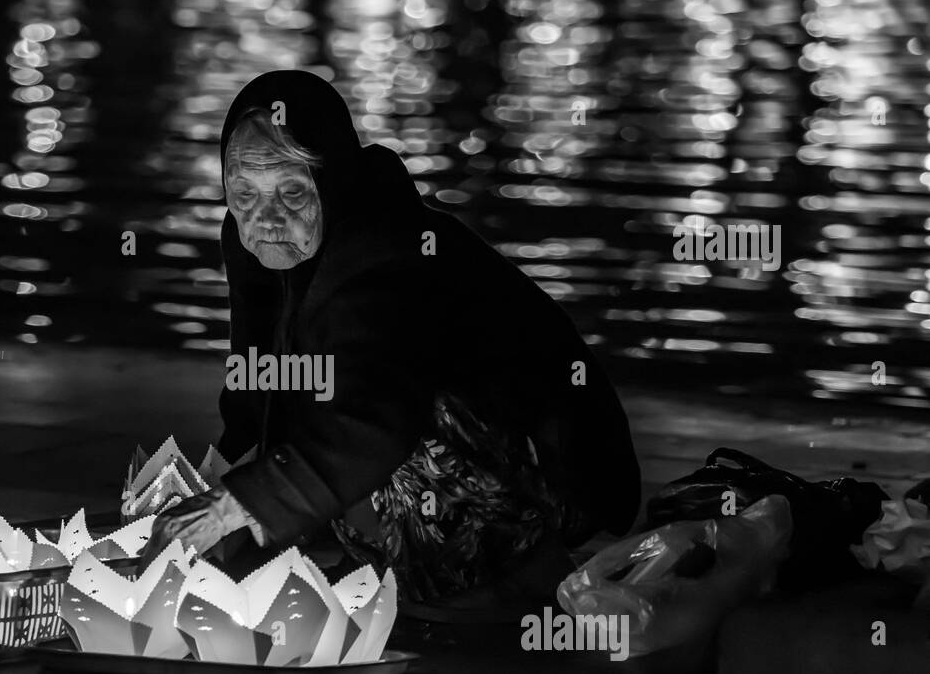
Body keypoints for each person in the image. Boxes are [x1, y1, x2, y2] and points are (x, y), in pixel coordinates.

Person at [138, 70, 640, 608]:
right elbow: (259, 380)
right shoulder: (255, 239)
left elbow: (375, 422)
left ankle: (495, 575)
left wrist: (229, 509)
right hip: (410, 433)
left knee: (371, 427)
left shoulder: (387, 249)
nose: (266, 218)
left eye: (292, 191)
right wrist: (218, 486)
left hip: (549, 474)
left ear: (331, 182)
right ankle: (390, 552)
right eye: (244, 193)